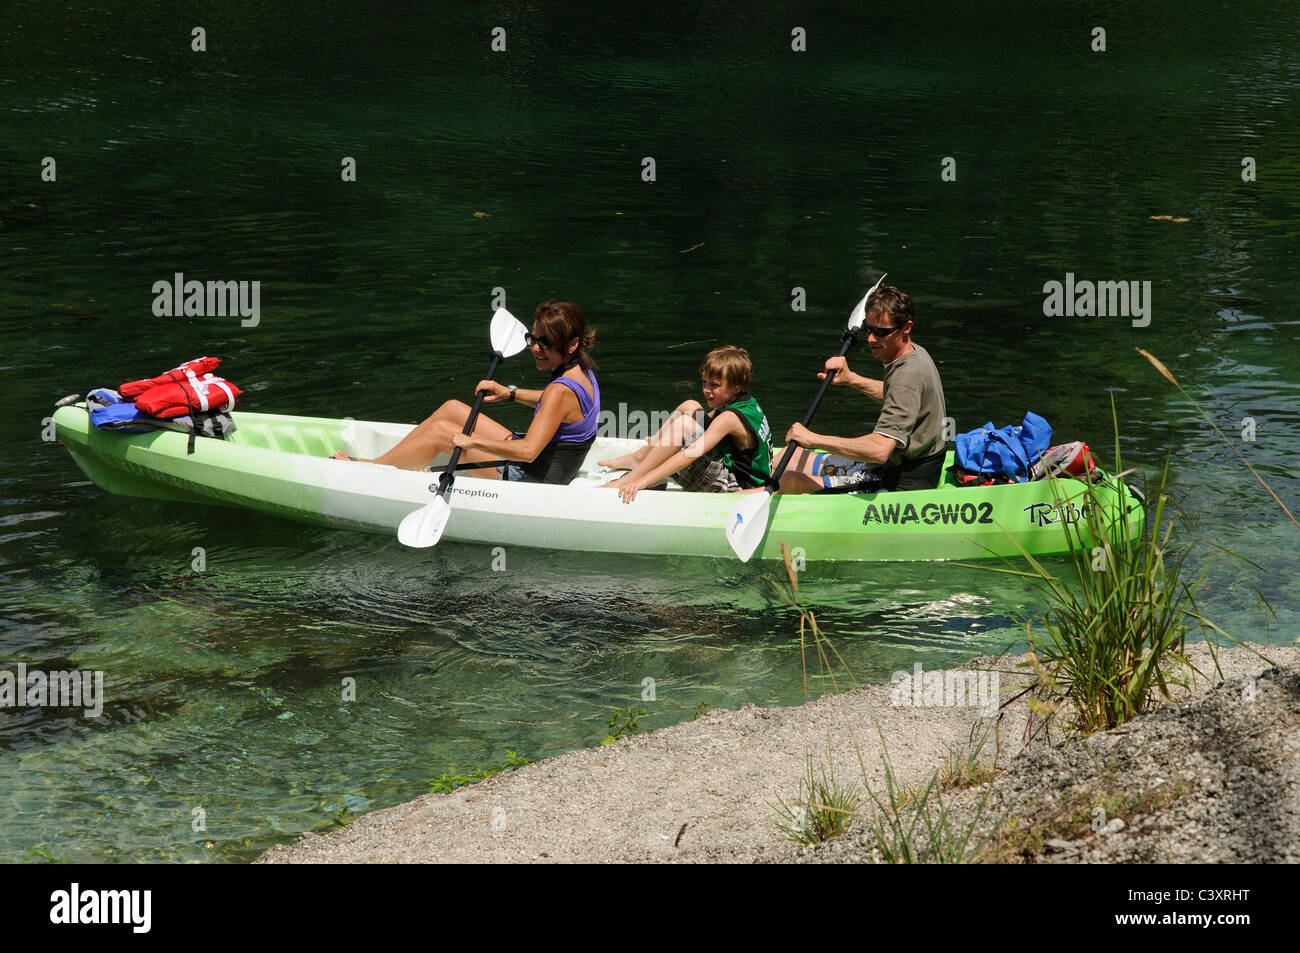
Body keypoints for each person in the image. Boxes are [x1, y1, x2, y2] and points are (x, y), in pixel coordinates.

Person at [334, 300, 599, 483]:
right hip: (548, 464)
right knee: (452, 408)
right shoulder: (583, 373)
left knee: (443, 434)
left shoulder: (559, 391)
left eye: (545, 343)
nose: (535, 348)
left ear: (573, 344)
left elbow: (529, 451)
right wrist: (509, 393)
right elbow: (557, 407)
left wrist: (473, 442)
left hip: (533, 478)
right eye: (532, 339)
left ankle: (372, 471)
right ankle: (386, 461)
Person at [774, 284, 946, 494]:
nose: (871, 339)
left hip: (900, 481)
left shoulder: (908, 374)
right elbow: (897, 396)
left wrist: (813, 439)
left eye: (881, 332)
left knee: (790, 480)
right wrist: (851, 379)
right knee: (786, 458)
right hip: (892, 466)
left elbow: (880, 450)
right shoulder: (913, 353)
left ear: (906, 327)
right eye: (869, 329)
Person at [599, 345, 771, 503]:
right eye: (704, 382)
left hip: (734, 486)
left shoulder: (730, 418)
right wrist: (661, 441)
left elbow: (690, 454)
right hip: (735, 470)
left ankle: (633, 477)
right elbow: (707, 424)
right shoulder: (745, 402)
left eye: (715, 385)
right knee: (690, 407)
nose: (706, 390)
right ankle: (640, 458)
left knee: (683, 426)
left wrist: (643, 481)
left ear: (737, 387)